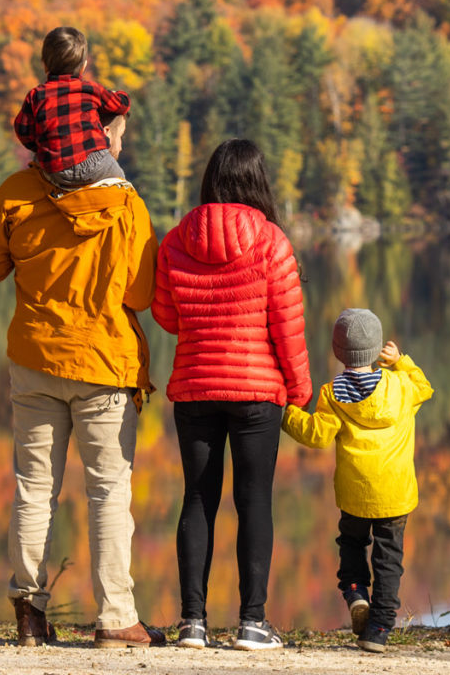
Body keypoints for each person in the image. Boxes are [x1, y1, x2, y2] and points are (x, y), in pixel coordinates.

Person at [0, 110, 165, 649]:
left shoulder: (17, 191)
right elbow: (141, 293)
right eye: (117, 135)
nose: (120, 143)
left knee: (34, 489)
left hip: (35, 357)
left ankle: (30, 615)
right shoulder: (125, 203)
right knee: (108, 492)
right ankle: (116, 618)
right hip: (104, 362)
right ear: (97, 139)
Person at [151, 139, 311, 651]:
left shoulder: (177, 240)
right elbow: (287, 328)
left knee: (198, 498)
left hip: (195, 387)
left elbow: (167, 316)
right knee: (254, 500)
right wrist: (299, 389)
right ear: (258, 182)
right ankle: (252, 623)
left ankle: (192, 623)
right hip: (257, 394)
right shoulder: (272, 243)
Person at [281, 308, 433, 654]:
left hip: (355, 493)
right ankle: (377, 629)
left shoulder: (332, 393)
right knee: (388, 559)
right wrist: (401, 361)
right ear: (378, 349)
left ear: (338, 352)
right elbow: (424, 388)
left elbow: (317, 435)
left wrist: (287, 414)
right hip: (394, 493)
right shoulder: (401, 387)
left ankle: (355, 593)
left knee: (351, 543)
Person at [13, 26, 132, 189]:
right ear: (84, 66)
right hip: (94, 162)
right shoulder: (90, 89)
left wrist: (43, 147)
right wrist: (119, 94)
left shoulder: (36, 96)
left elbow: (23, 131)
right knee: (120, 182)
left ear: (44, 65)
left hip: (54, 170)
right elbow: (121, 105)